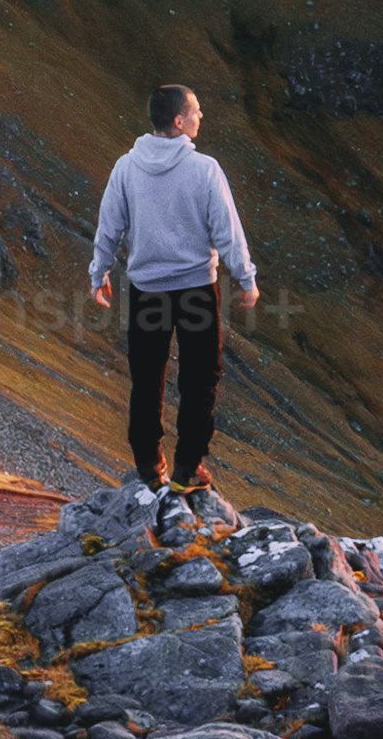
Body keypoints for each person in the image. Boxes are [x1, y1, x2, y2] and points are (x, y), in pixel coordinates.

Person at [82, 83, 260, 499]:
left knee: (147, 376)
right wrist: (246, 279)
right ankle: (187, 467)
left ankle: (148, 463)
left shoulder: (127, 167)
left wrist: (98, 273)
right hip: (196, 288)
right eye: (196, 111)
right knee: (200, 377)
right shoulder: (205, 170)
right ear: (179, 121)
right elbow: (227, 232)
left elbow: (110, 225)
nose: (201, 118)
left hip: (147, 289)